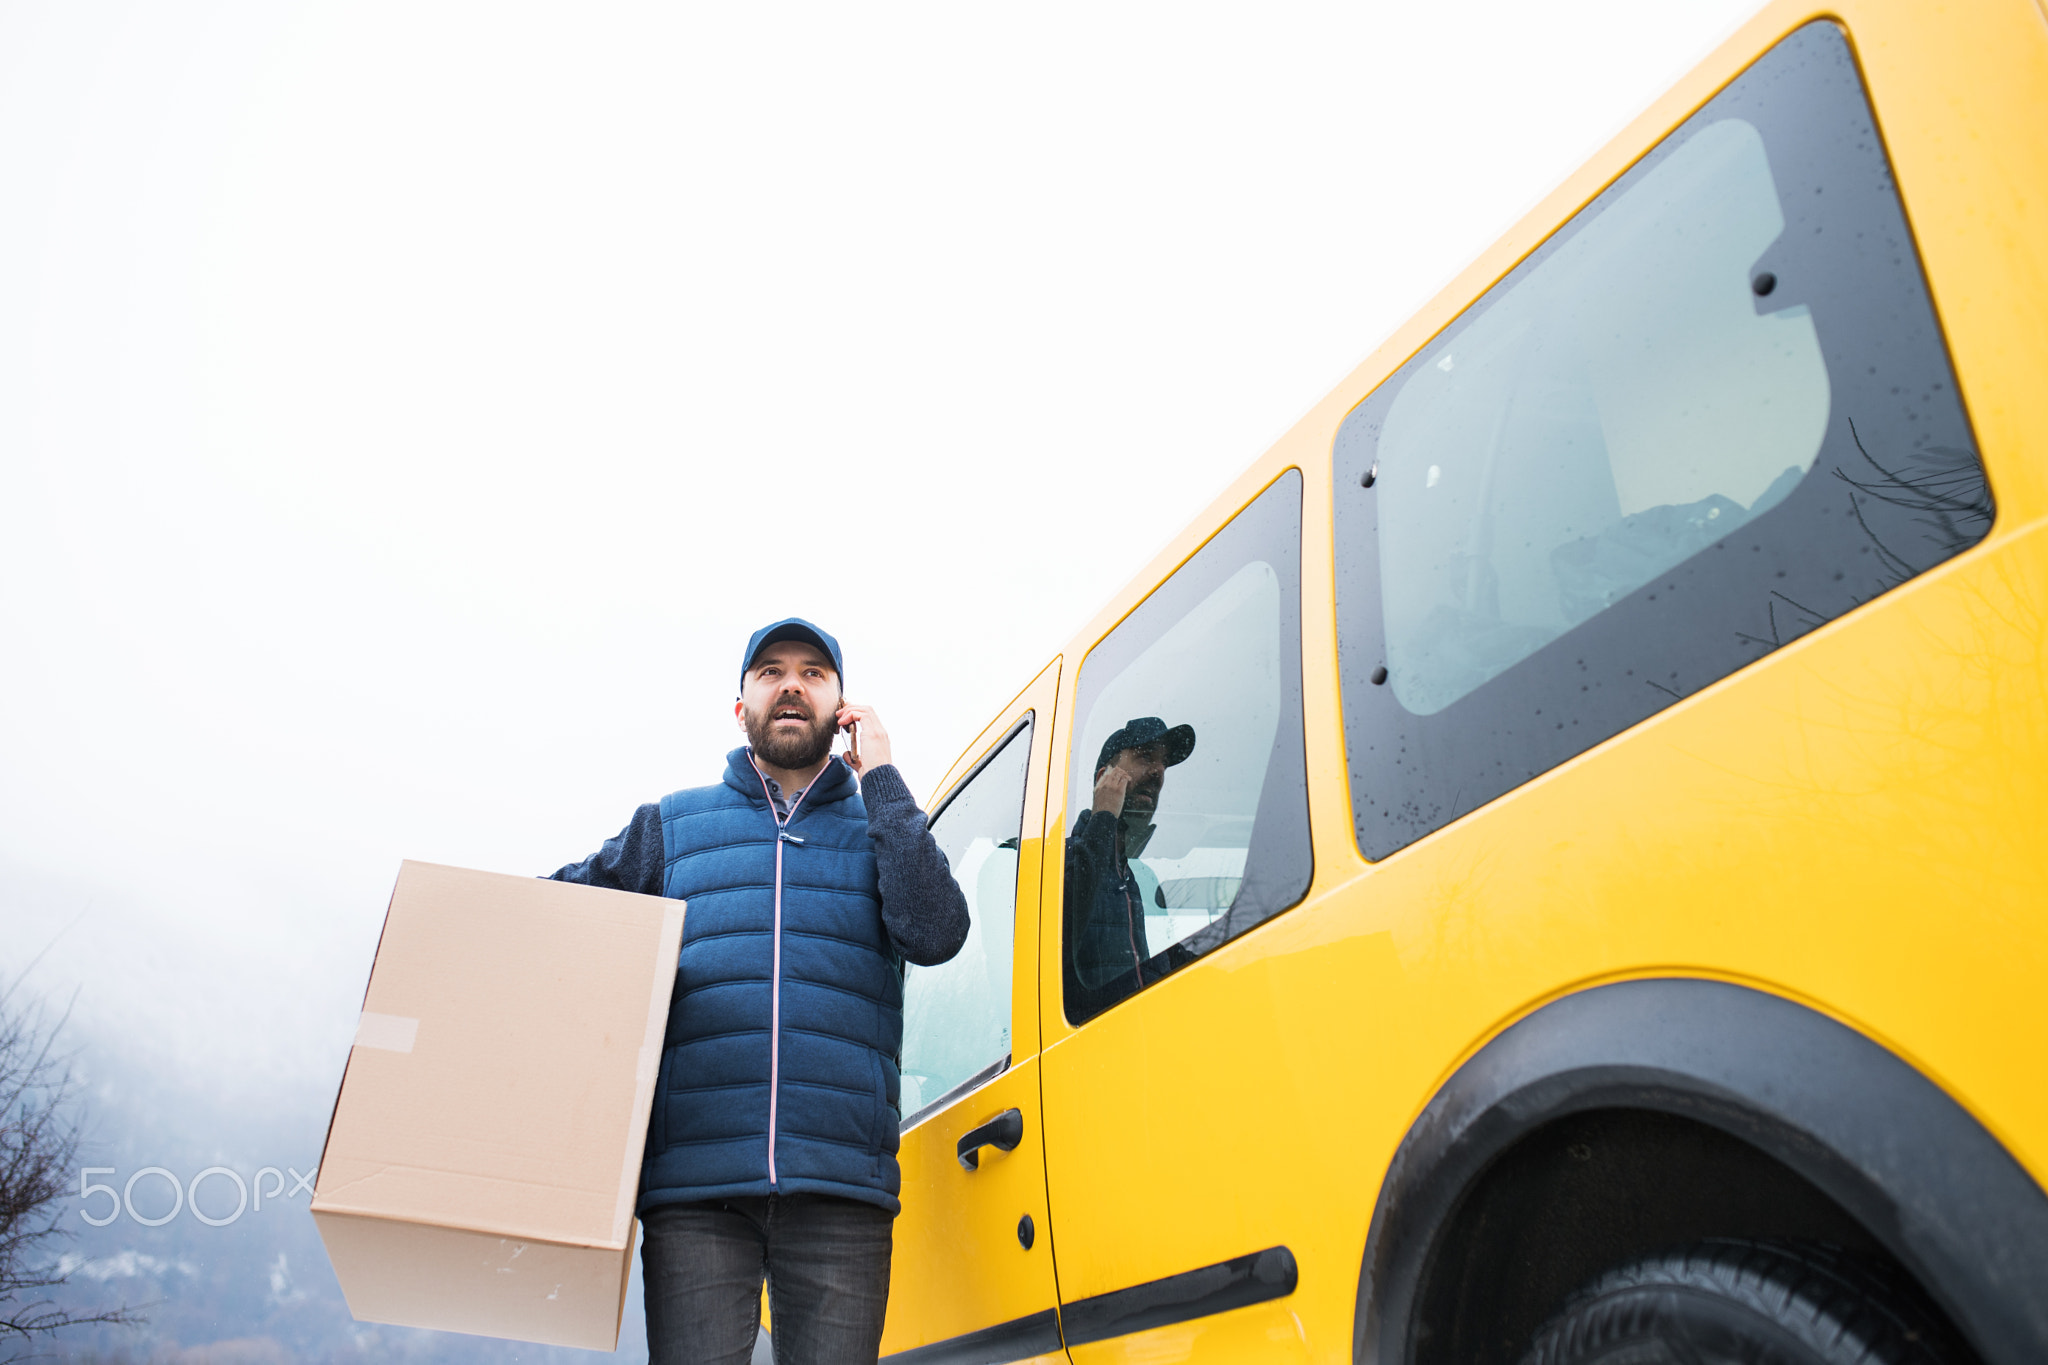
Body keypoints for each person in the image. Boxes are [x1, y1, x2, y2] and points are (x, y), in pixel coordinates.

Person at [548, 617, 969, 1365]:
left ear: (842, 706)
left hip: (841, 1191)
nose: (791, 685)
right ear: (740, 705)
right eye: (771, 671)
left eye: (813, 672)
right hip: (695, 1196)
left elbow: (936, 933)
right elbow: (556, 920)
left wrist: (882, 777)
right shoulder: (672, 826)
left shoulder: (883, 827)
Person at [1062, 716, 1196, 995]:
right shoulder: (1064, 859)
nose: (1158, 772)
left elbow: (1149, 963)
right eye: (1146, 757)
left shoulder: (1133, 877)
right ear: (1104, 779)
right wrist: (1104, 815)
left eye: (1163, 764)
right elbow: (1066, 920)